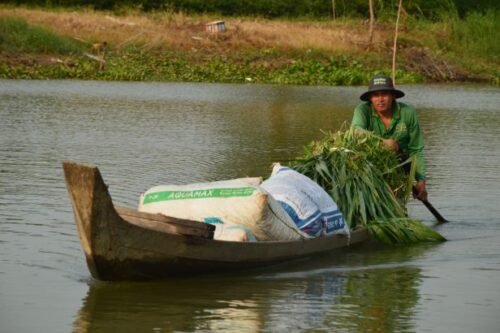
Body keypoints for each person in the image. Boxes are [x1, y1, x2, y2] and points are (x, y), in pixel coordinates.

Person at [351, 74, 428, 201]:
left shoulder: (408, 113)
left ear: (392, 96)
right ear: (370, 98)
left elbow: (416, 149)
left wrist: (421, 180)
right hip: (370, 168)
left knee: (397, 208)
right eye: (376, 95)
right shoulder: (362, 110)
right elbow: (355, 131)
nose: (380, 99)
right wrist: (386, 143)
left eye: (385, 94)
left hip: (399, 169)